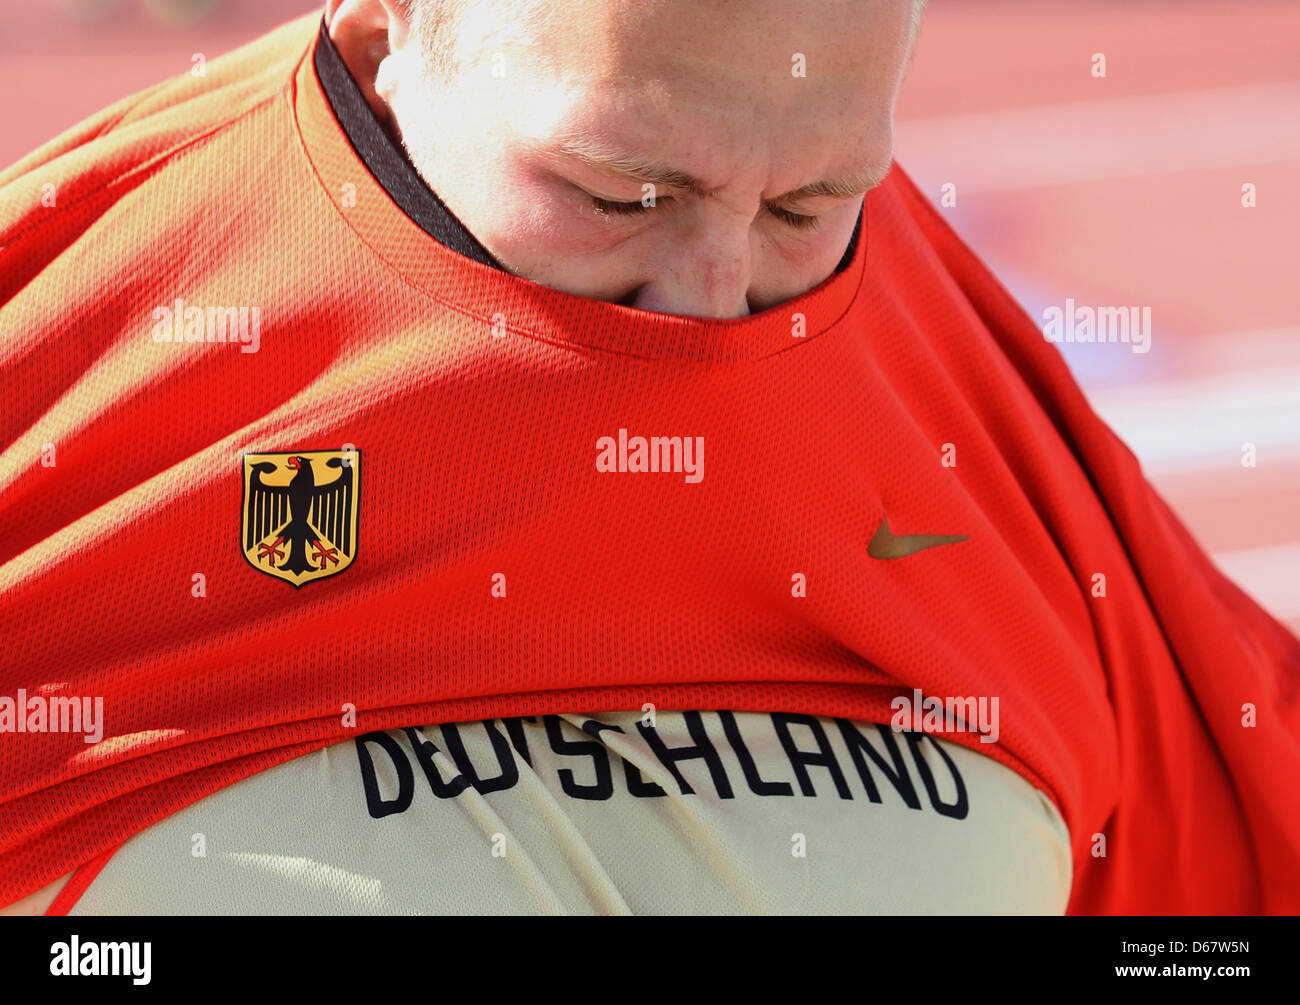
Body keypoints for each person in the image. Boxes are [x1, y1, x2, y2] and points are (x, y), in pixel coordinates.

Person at [0, 0, 1296, 915]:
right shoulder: (66, 325)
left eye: (810, 206)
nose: (711, 299)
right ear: (387, 27)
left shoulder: (984, 409)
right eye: (623, 194)